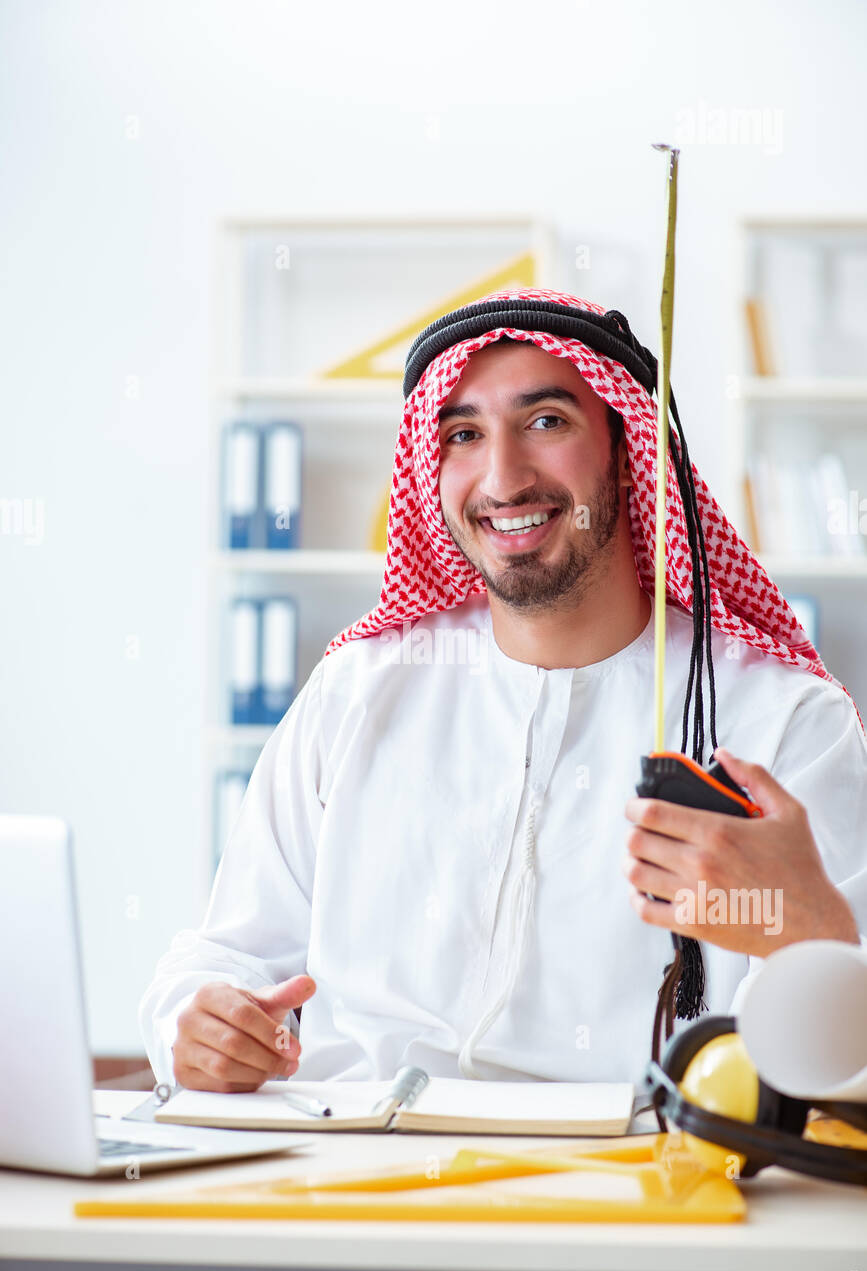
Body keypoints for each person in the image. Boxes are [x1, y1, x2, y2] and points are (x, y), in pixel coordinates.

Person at [139, 288, 867, 1095]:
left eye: (546, 421)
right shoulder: (358, 691)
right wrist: (192, 1023)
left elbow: (841, 1076)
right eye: (463, 434)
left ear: (629, 450)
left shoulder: (786, 724)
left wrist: (816, 937)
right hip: (351, 1179)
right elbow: (223, 955)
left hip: (637, 1196)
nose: (503, 477)